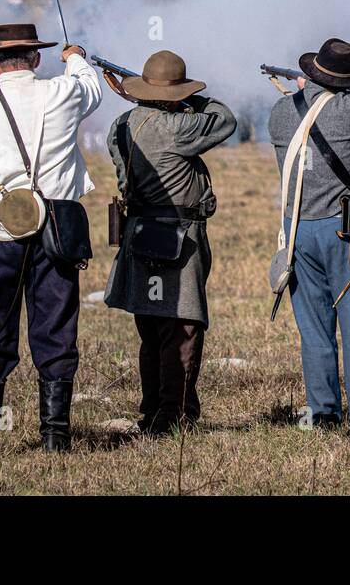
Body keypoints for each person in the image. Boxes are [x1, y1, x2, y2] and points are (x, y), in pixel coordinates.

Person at [0, 23, 102, 453]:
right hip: (56, 235)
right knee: (56, 329)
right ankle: (54, 437)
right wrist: (76, 55)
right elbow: (91, 86)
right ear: (36, 58)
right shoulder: (64, 93)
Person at [103, 50, 236, 435]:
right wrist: (191, 99)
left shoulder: (121, 124)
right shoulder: (177, 127)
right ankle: (170, 416)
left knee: (151, 329)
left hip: (140, 233)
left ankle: (157, 408)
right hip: (177, 237)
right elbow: (225, 119)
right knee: (181, 328)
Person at [268, 38, 350, 433]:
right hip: (343, 228)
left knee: (314, 329)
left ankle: (324, 412)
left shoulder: (280, 111)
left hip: (296, 230)